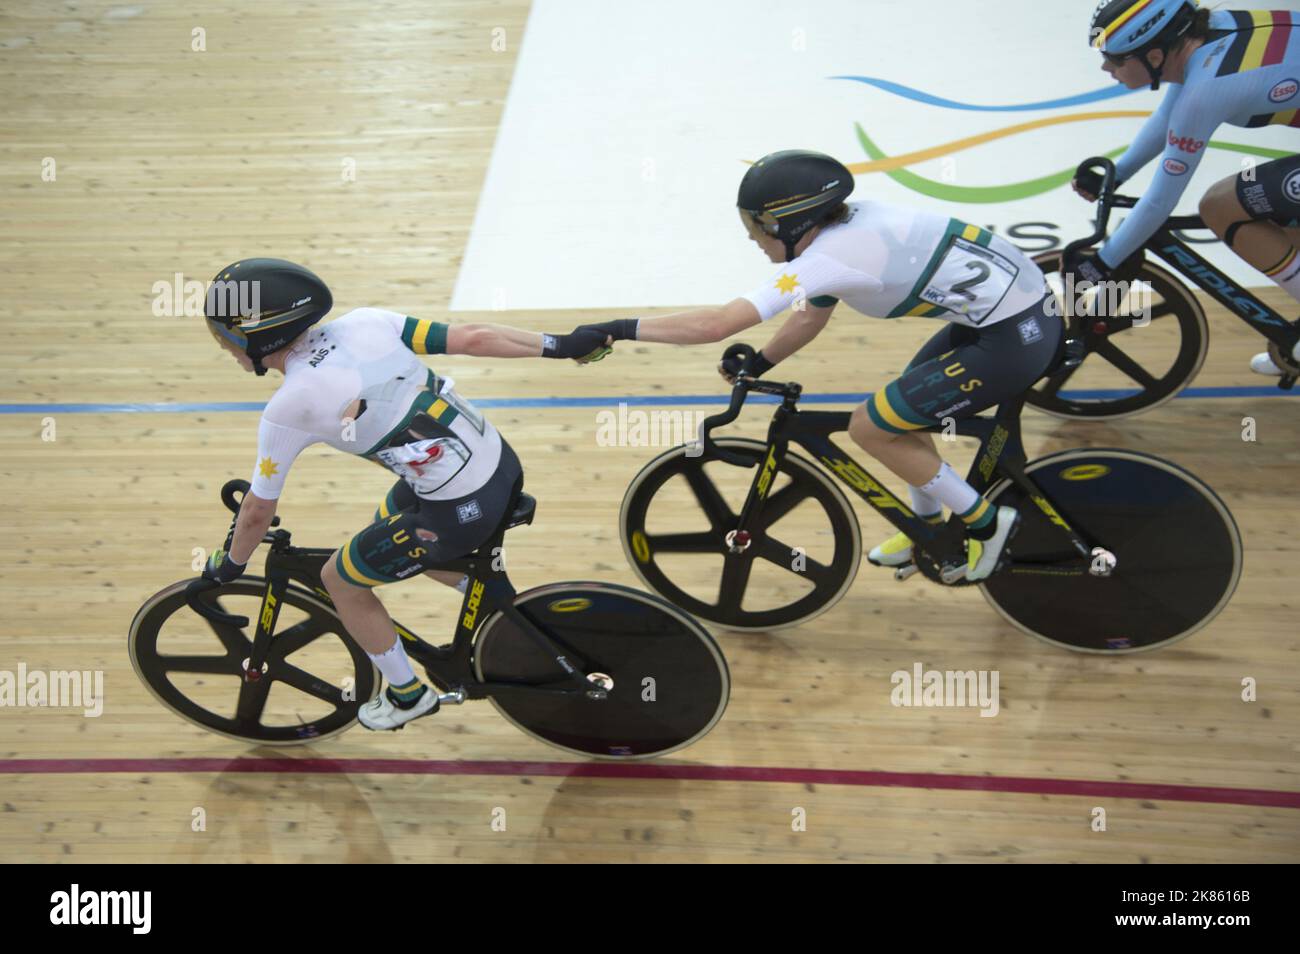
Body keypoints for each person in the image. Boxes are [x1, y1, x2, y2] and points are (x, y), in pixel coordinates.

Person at [580, 150, 1063, 582]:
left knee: (871, 428)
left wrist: (617, 328)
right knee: (905, 413)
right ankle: (930, 529)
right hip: (1009, 316)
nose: (752, 239)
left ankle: (986, 522)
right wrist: (764, 360)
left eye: (756, 228)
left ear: (788, 224)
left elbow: (716, 325)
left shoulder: (830, 256)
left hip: (1011, 336)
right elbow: (811, 314)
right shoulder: (846, 228)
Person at [200, 258, 607, 730]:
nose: (225, 347)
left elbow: (257, 510)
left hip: (459, 507)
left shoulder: (290, 406)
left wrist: (229, 564)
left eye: (225, 337)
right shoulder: (366, 321)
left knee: (342, 579)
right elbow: (474, 337)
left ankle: (407, 694)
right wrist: (559, 345)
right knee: (385, 528)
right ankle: (492, 601)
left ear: (257, 336)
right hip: (499, 463)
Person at [1072, 0, 1300, 375]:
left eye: (1115, 59)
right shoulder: (1206, 37)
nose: (1106, 68)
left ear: (1156, 55)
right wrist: (1118, 172)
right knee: (1282, 222)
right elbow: (1167, 116)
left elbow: (1160, 201)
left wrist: (1102, 264)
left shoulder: (1205, 90)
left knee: (1222, 206)